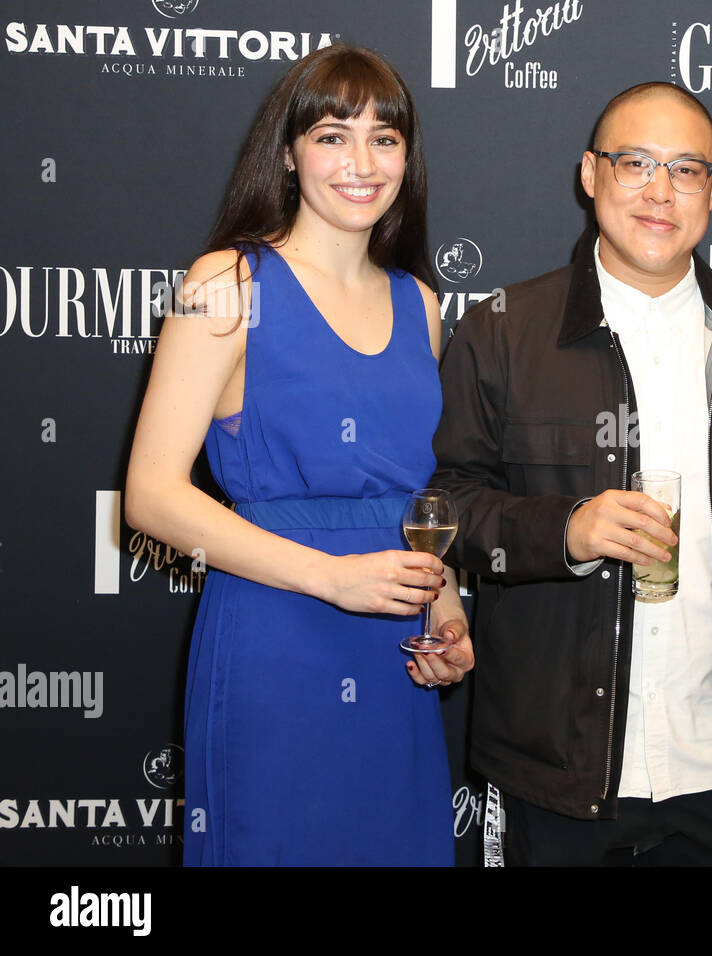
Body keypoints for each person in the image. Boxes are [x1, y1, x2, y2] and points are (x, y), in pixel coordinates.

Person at [431, 82, 712, 865]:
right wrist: (566, 528)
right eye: (634, 162)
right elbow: (446, 506)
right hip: (557, 770)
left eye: (687, 169)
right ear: (589, 175)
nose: (659, 191)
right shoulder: (501, 331)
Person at [125, 45, 473, 866]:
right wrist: (332, 577)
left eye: (385, 139)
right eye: (332, 135)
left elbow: (414, 495)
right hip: (275, 639)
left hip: (392, 649)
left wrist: (448, 607)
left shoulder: (417, 301)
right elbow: (150, 495)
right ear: (288, 152)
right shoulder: (228, 283)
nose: (362, 162)